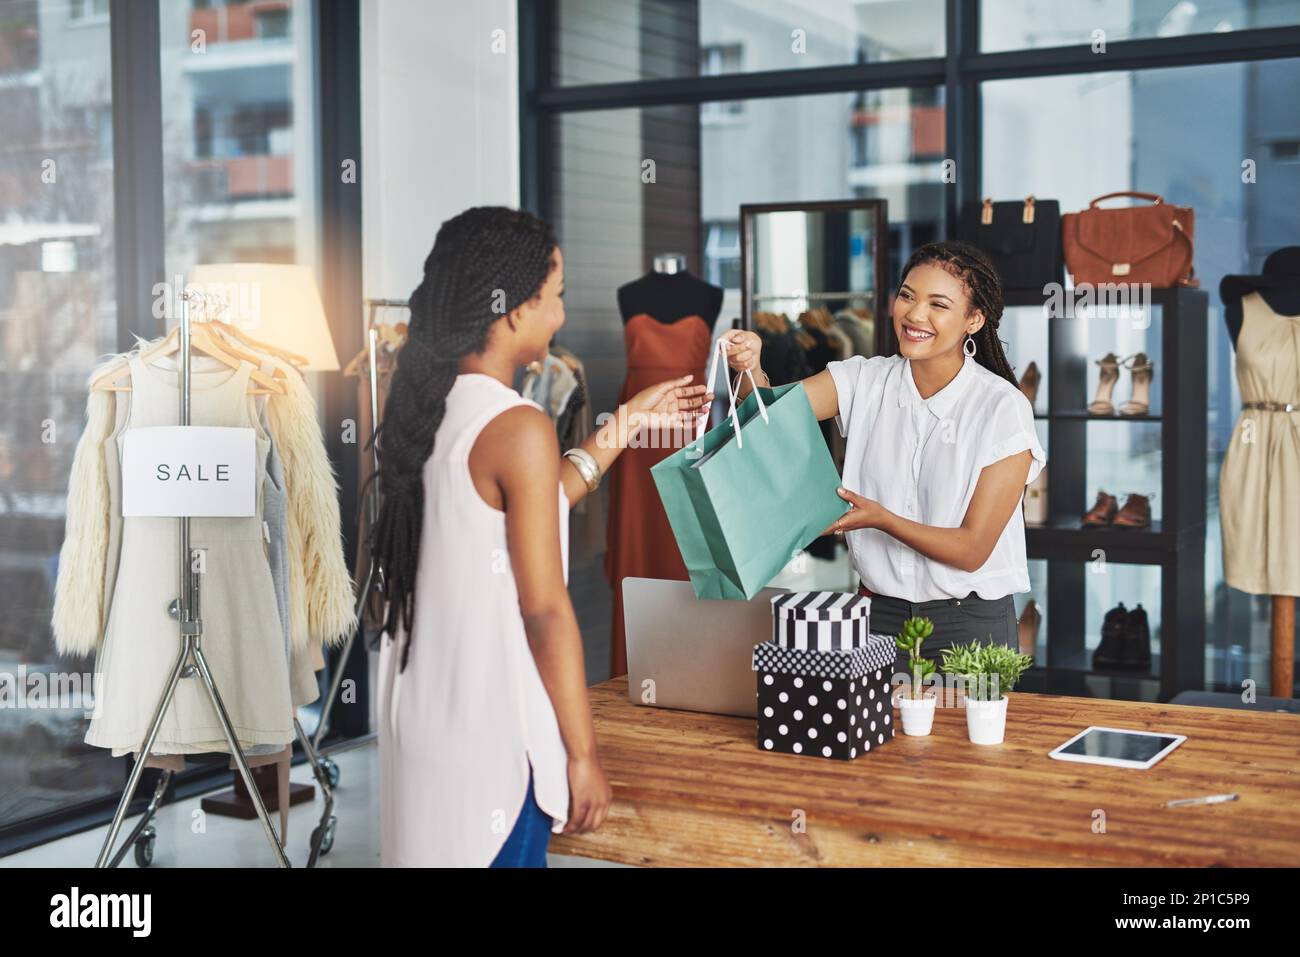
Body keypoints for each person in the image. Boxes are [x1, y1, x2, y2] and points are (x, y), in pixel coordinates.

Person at [372, 207, 712, 867]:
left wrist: (629, 420)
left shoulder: (424, 406)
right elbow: (545, 611)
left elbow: (542, 497)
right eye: (554, 298)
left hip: (424, 721)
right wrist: (582, 754)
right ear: (512, 313)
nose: (560, 316)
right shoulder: (518, 424)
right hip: (493, 737)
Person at [725, 240, 1045, 672]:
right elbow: (765, 419)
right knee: (874, 741)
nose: (914, 315)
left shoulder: (1002, 408)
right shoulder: (863, 380)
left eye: (938, 304)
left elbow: (973, 549)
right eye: (908, 296)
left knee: (964, 742)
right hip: (877, 619)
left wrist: (883, 519)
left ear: (973, 319)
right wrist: (750, 367)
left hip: (969, 625)